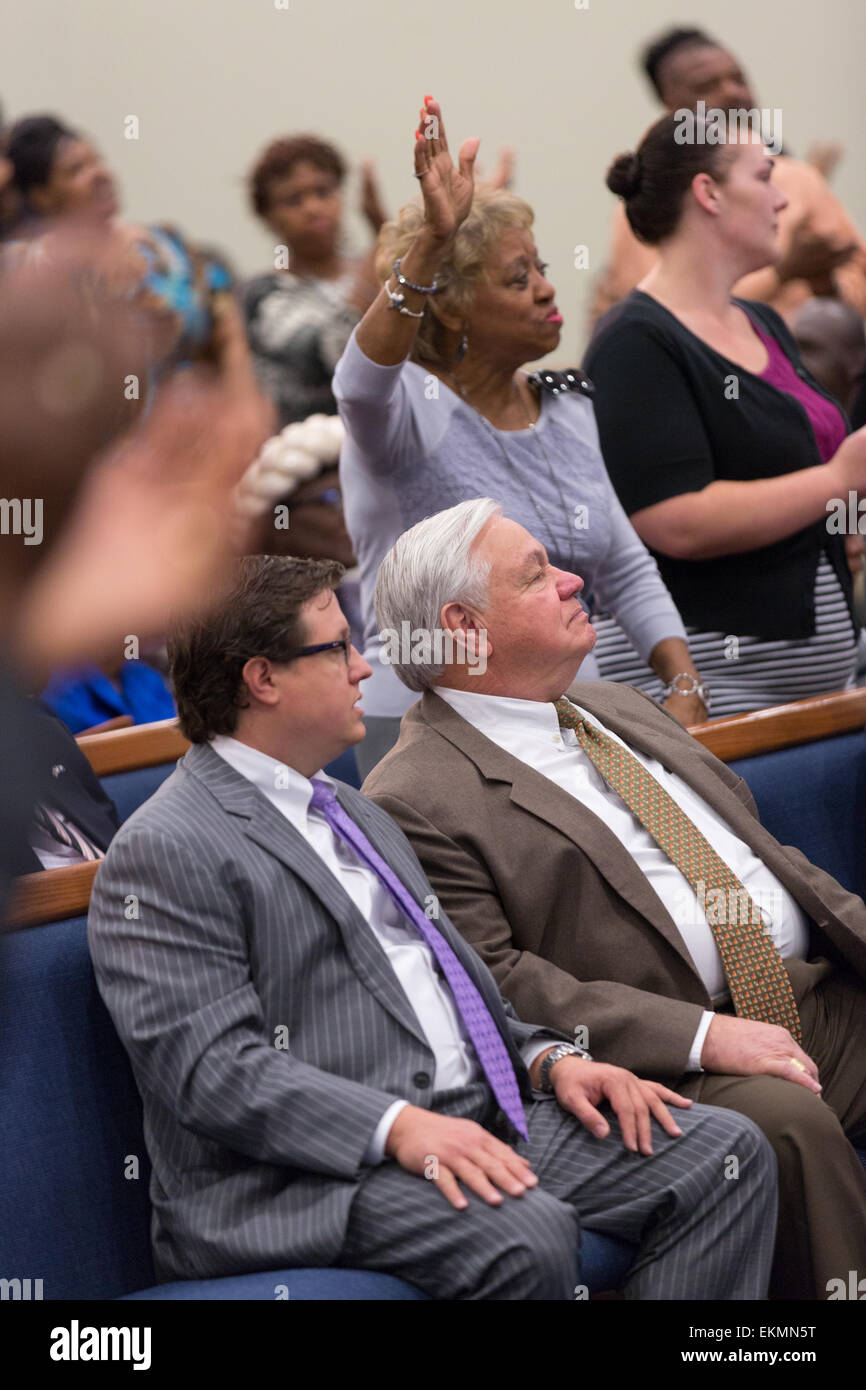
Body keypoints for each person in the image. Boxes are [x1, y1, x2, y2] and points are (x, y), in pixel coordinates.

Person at [86, 553, 776, 1300]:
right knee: (523, 1229)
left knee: (724, 1153)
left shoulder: (353, 811)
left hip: (479, 1116)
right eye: (339, 648)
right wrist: (399, 1127)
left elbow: (460, 995)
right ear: (263, 679)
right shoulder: (167, 847)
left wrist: (552, 1061)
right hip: (303, 1180)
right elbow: (212, 1073)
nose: (363, 669)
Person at [363, 497, 866, 1301]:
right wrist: (705, 1035)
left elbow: (765, 857)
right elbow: (496, 982)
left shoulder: (618, 707)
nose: (573, 580)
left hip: (814, 997)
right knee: (787, 1128)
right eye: (537, 576)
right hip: (673, 1055)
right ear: (463, 624)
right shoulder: (412, 793)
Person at [335, 96, 706, 780]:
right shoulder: (409, 409)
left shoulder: (566, 406)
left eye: (541, 268)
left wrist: (683, 684)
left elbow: (622, 565)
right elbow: (358, 384)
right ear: (452, 308)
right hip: (431, 727)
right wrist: (433, 246)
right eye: (518, 277)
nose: (545, 289)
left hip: (573, 706)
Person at [582, 115, 866, 715]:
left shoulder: (759, 322)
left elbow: (795, 469)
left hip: (810, 682)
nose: (783, 197)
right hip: (713, 688)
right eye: (764, 176)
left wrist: (840, 524)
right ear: (708, 193)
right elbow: (675, 518)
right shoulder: (634, 342)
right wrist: (835, 483)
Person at [589, 27, 866, 331]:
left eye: (739, 79)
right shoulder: (653, 196)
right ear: (671, 107)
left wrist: (825, 285)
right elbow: (660, 315)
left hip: (813, 369)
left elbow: (857, 293)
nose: (732, 93)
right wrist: (782, 273)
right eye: (707, 85)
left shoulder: (801, 181)